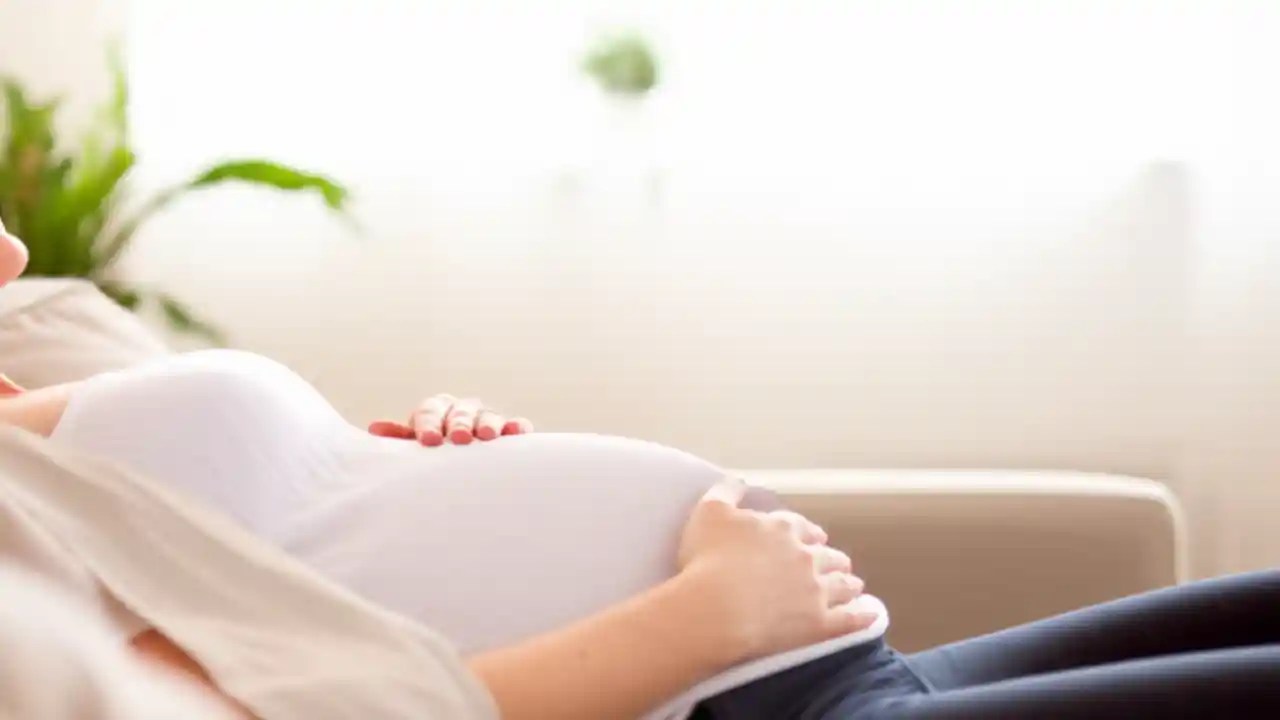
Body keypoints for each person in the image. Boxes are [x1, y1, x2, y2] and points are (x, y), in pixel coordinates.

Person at [1, 218, 1278, 719]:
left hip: (825, 666)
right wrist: (707, 613)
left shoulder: (30, 412)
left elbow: (283, 559)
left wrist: (385, 458)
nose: (13, 255)